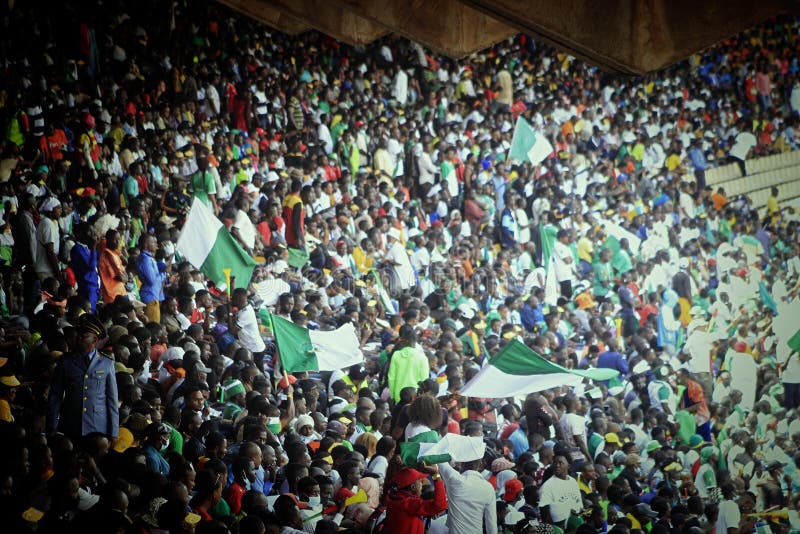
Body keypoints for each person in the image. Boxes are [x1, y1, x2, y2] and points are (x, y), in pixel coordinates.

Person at [46, 314, 119, 439]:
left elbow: (112, 400)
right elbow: (55, 395)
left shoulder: (106, 363)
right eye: (78, 335)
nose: (78, 339)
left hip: (97, 426)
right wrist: (52, 424)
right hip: (71, 424)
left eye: (83, 336)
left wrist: (113, 432)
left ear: (95, 340)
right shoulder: (65, 362)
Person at [437, 456, 497, 534]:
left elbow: (440, 460)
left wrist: (452, 459)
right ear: (480, 464)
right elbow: (491, 524)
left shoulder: (455, 480)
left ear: (462, 463)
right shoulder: (488, 488)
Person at [384, 463, 447, 534]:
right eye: (420, 481)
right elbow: (440, 505)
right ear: (413, 487)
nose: (422, 484)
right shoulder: (408, 503)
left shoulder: (394, 497)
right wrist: (436, 475)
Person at [136, 234, 167, 323]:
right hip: (150, 297)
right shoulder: (145, 259)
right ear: (146, 244)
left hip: (153, 295)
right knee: (153, 326)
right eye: (153, 242)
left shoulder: (149, 258)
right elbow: (152, 281)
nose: (156, 244)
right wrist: (162, 273)